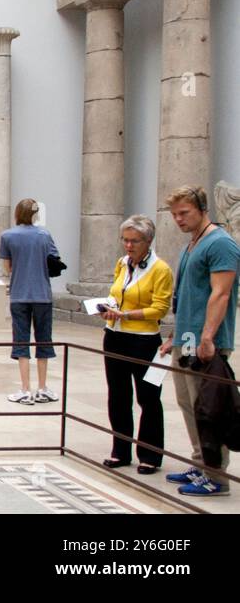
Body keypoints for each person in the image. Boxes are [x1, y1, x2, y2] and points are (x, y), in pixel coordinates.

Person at [157, 186, 240, 496]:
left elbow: (221, 293)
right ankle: (200, 462)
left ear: (203, 210)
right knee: (189, 403)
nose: (178, 219)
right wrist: (175, 336)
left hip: (207, 340)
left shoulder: (220, 244)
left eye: (184, 213)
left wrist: (208, 337)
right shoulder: (192, 243)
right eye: (175, 214)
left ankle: (216, 475)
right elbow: (188, 296)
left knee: (210, 407)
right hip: (187, 337)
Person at [101, 214, 173, 474]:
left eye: (135, 241)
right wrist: (109, 309)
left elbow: (160, 309)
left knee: (148, 397)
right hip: (115, 335)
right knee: (118, 395)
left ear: (148, 241)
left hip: (144, 340)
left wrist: (128, 315)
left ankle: (150, 454)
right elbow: (116, 292)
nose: (129, 246)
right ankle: (121, 449)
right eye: (125, 240)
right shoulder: (122, 263)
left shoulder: (161, 269)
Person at [0, 197, 59, 405]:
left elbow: (8, 267)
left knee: (21, 340)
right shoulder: (44, 235)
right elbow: (54, 262)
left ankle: (25, 388)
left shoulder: (7, 236)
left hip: (19, 294)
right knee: (44, 340)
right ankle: (42, 387)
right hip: (42, 294)